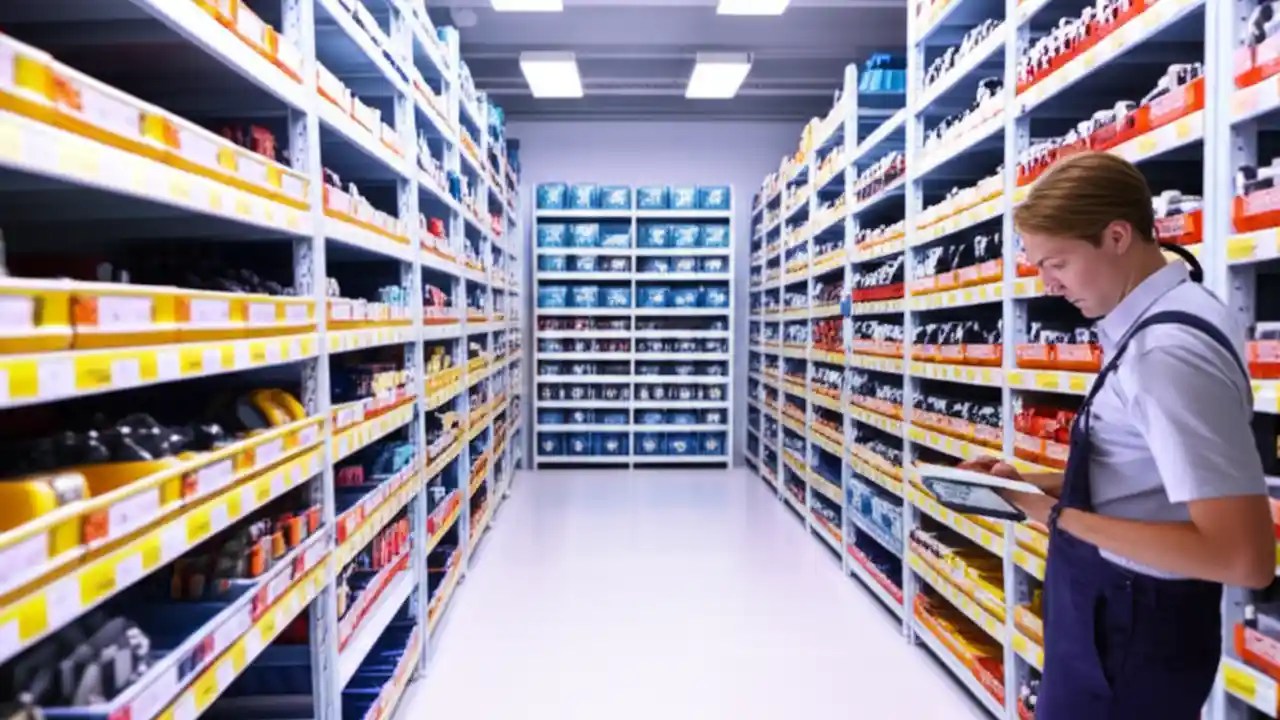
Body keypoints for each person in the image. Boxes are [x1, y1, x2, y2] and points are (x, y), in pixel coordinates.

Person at [959, 151, 1274, 719]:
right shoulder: (1168, 314)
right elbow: (1151, 477)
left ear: (1118, 236)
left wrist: (1055, 516)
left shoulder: (1166, 354)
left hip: (1131, 635)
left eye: (1057, 263)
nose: (1049, 285)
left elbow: (1243, 557)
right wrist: (1031, 483)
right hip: (1123, 620)